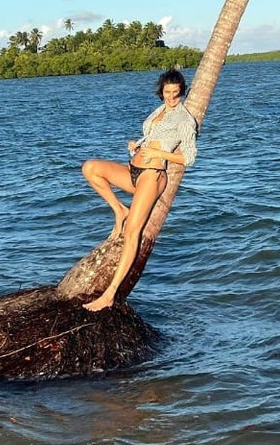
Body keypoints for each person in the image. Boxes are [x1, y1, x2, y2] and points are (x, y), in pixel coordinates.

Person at [80, 68, 197, 311]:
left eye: (176, 93)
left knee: (132, 233)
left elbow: (189, 158)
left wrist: (157, 153)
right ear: (161, 91)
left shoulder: (185, 119)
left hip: (152, 176)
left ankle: (109, 294)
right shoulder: (159, 111)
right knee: (90, 168)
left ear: (182, 92)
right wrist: (138, 145)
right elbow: (153, 136)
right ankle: (119, 210)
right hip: (133, 169)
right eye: (167, 92)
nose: (171, 97)